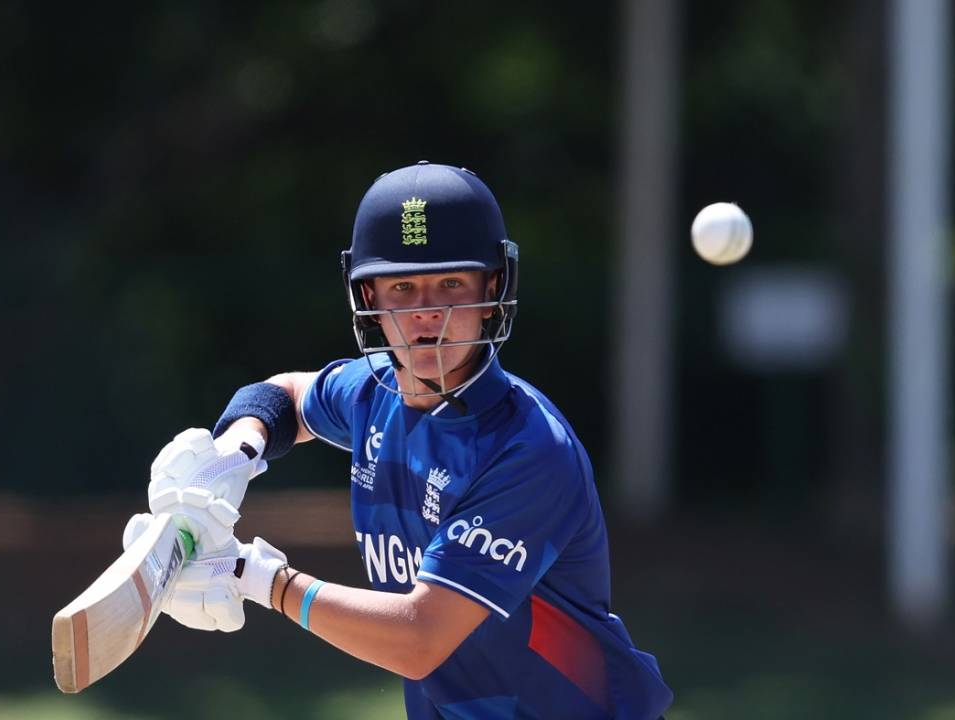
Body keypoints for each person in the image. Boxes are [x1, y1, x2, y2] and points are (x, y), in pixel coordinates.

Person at [126, 161, 674, 719]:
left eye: (452, 283)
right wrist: (238, 452)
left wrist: (258, 579)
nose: (427, 312)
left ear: (493, 288)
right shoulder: (373, 392)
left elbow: (420, 639)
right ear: (369, 296)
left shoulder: (528, 448)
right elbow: (287, 394)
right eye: (404, 287)